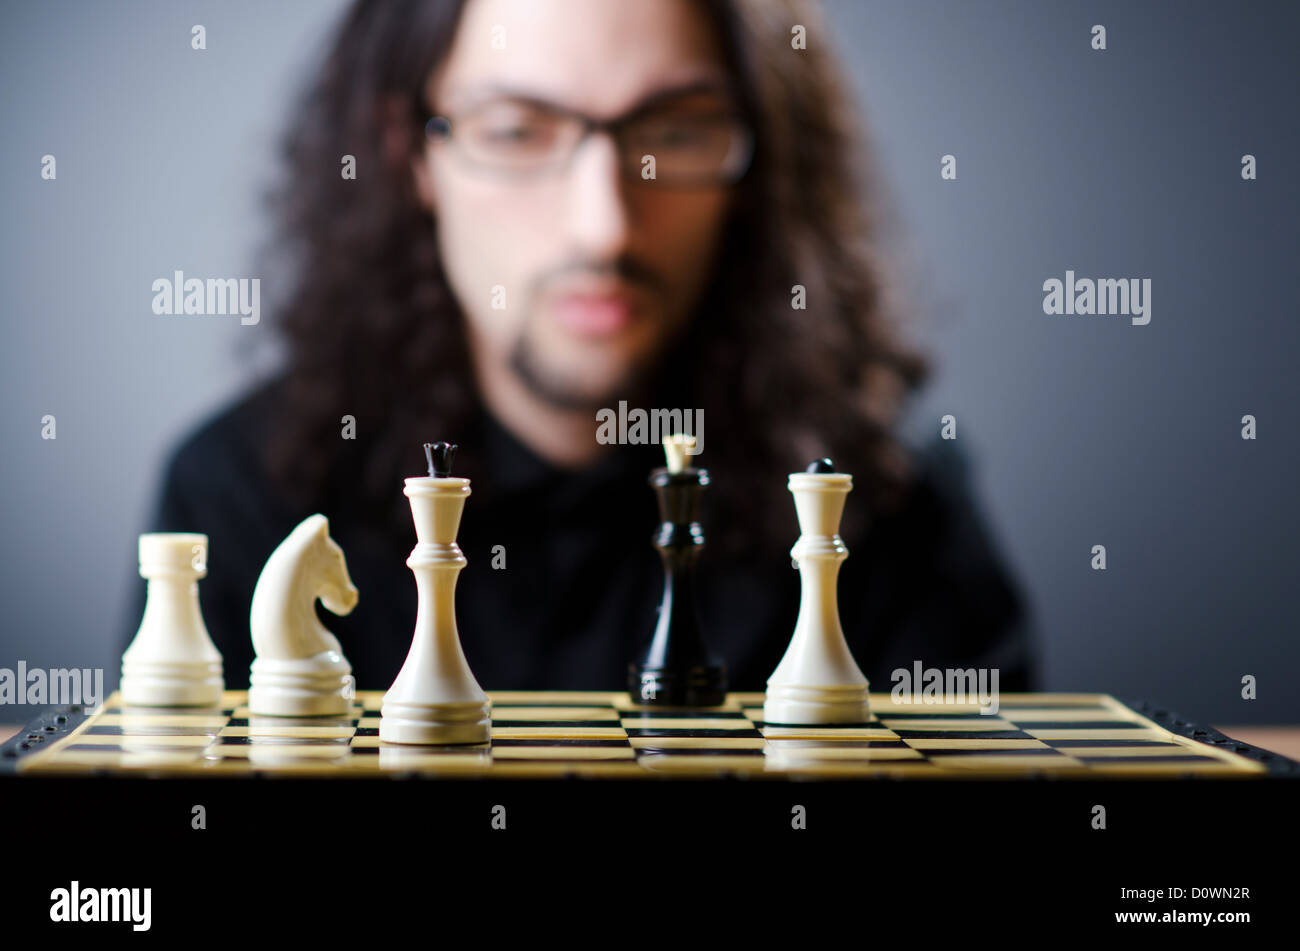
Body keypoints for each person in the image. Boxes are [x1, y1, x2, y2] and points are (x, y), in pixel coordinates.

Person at [121, 0, 1037, 694]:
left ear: (757, 165)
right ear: (410, 153)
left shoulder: (897, 513)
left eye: (674, 132)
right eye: (518, 129)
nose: (603, 226)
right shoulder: (239, 494)